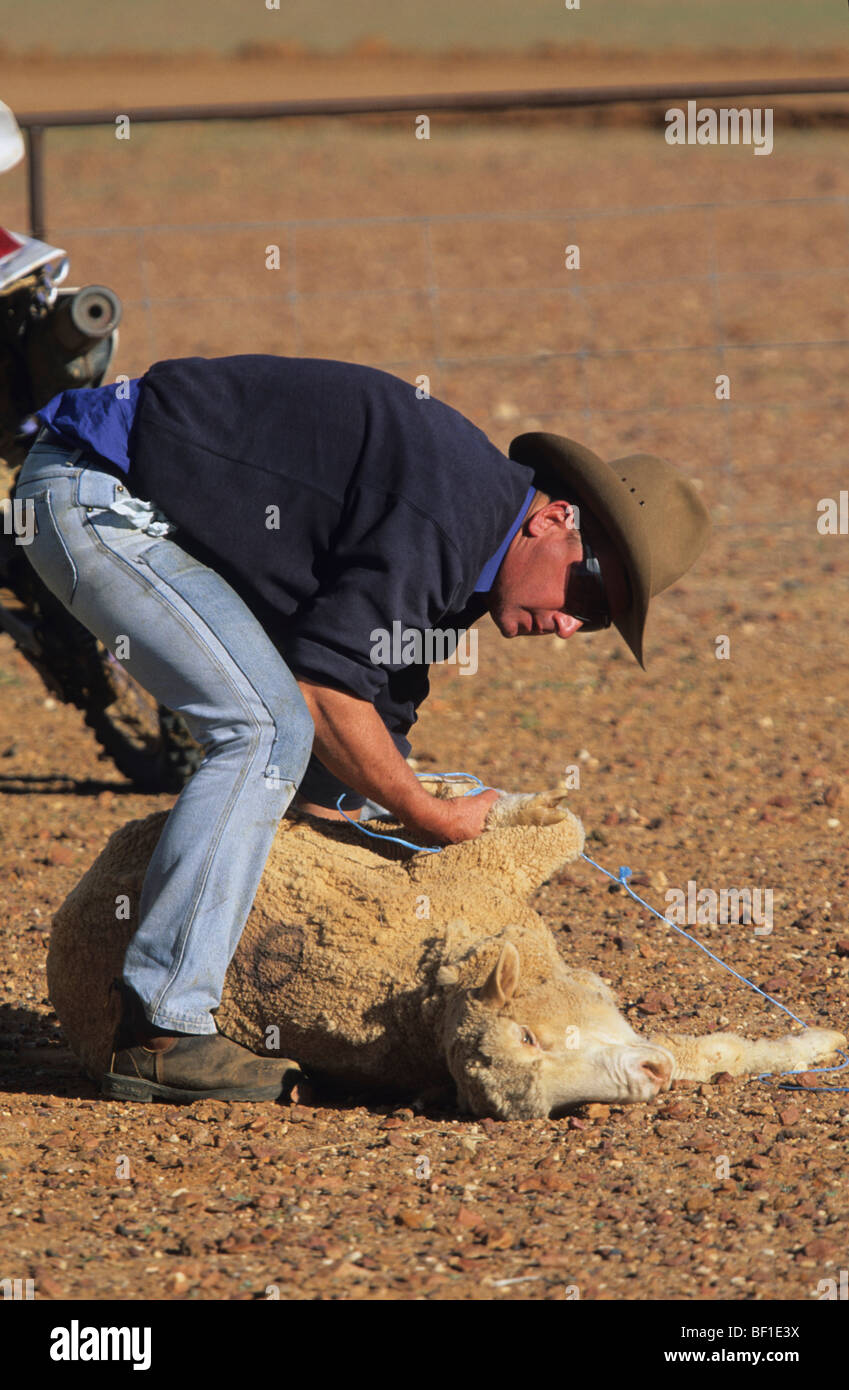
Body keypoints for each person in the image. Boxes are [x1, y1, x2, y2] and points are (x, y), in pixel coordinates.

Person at [13, 354, 709, 1103]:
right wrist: (429, 813)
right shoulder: (449, 514)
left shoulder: (466, 563)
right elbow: (323, 695)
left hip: (135, 506)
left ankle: (221, 989)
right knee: (259, 728)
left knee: (298, 749)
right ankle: (159, 1029)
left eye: (598, 620)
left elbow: (371, 716)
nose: (573, 625)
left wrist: (372, 837)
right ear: (551, 521)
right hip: (95, 495)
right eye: (590, 589)